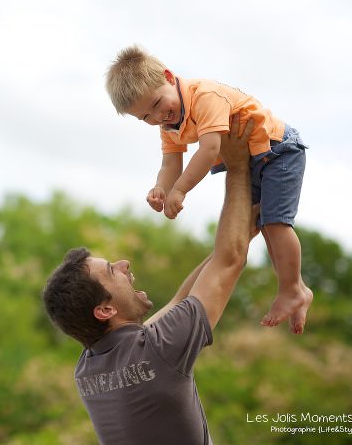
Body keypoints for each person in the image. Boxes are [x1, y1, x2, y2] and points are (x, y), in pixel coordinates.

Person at [42, 116, 254, 445]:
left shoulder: (89, 368)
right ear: (104, 310)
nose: (124, 264)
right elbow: (231, 259)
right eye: (112, 270)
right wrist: (239, 167)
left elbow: (179, 304)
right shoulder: (159, 348)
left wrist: (241, 231)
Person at [104, 45, 312, 334]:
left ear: (168, 77)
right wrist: (161, 188)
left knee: (276, 224)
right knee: (263, 225)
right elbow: (170, 163)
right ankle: (297, 288)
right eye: (145, 117)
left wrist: (180, 191)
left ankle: (290, 289)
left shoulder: (204, 96)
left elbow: (211, 148)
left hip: (277, 150)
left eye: (156, 104)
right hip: (252, 158)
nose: (157, 117)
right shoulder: (169, 125)